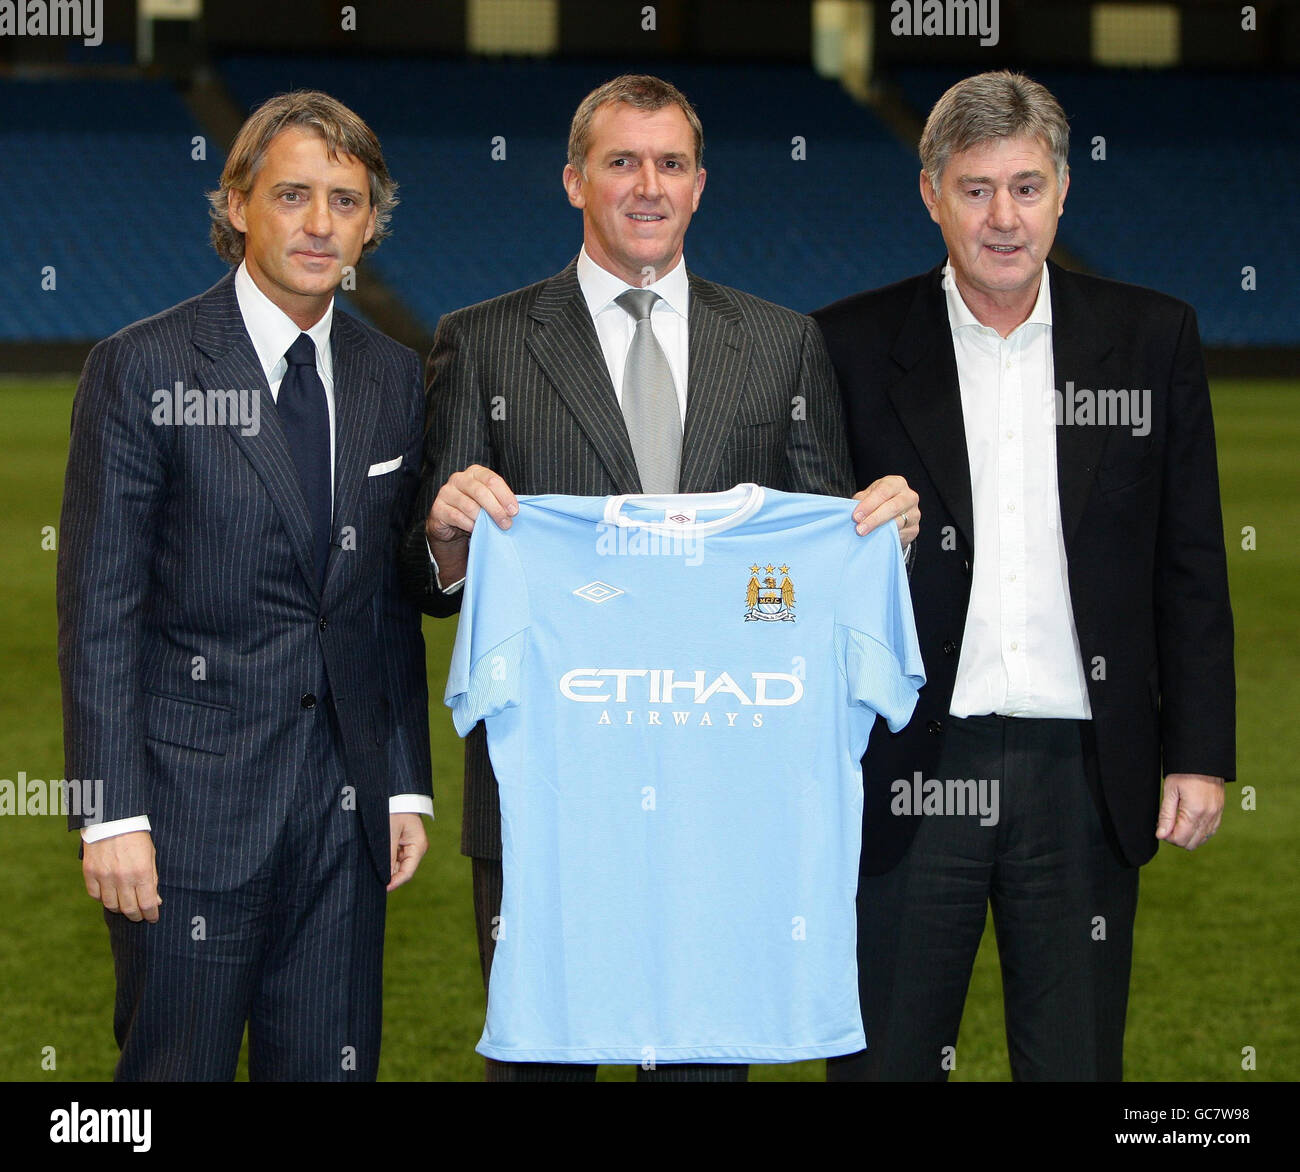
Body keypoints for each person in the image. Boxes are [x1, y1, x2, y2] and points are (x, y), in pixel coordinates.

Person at [399, 73, 919, 1082]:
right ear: (572, 180)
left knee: (702, 1071)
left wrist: (878, 537)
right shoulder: (487, 338)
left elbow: (817, 542)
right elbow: (431, 583)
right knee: (543, 1060)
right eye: (622, 161)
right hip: (554, 796)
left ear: (700, 184)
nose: (648, 186)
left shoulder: (779, 343)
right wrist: (446, 535)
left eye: (670, 163)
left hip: (721, 793)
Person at [813, 70, 1235, 1081]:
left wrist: (1199, 750)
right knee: (885, 1062)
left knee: (1075, 1063)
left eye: (1025, 186)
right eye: (974, 188)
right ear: (929, 193)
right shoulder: (847, 345)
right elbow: (800, 569)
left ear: (1060, 189)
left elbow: (1190, 559)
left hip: (1085, 776)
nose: (1002, 216)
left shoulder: (1149, 337)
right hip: (913, 765)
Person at [57, 90, 433, 1081]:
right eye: (293, 194)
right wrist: (111, 812)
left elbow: (382, 605)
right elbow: (98, 607)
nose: (319, 225)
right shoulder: (142, 367)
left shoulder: (395, 375)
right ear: (236, 206)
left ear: (370, 221)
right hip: (185, 816)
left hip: (342, 823)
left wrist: (399, 777)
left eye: (345, 201)